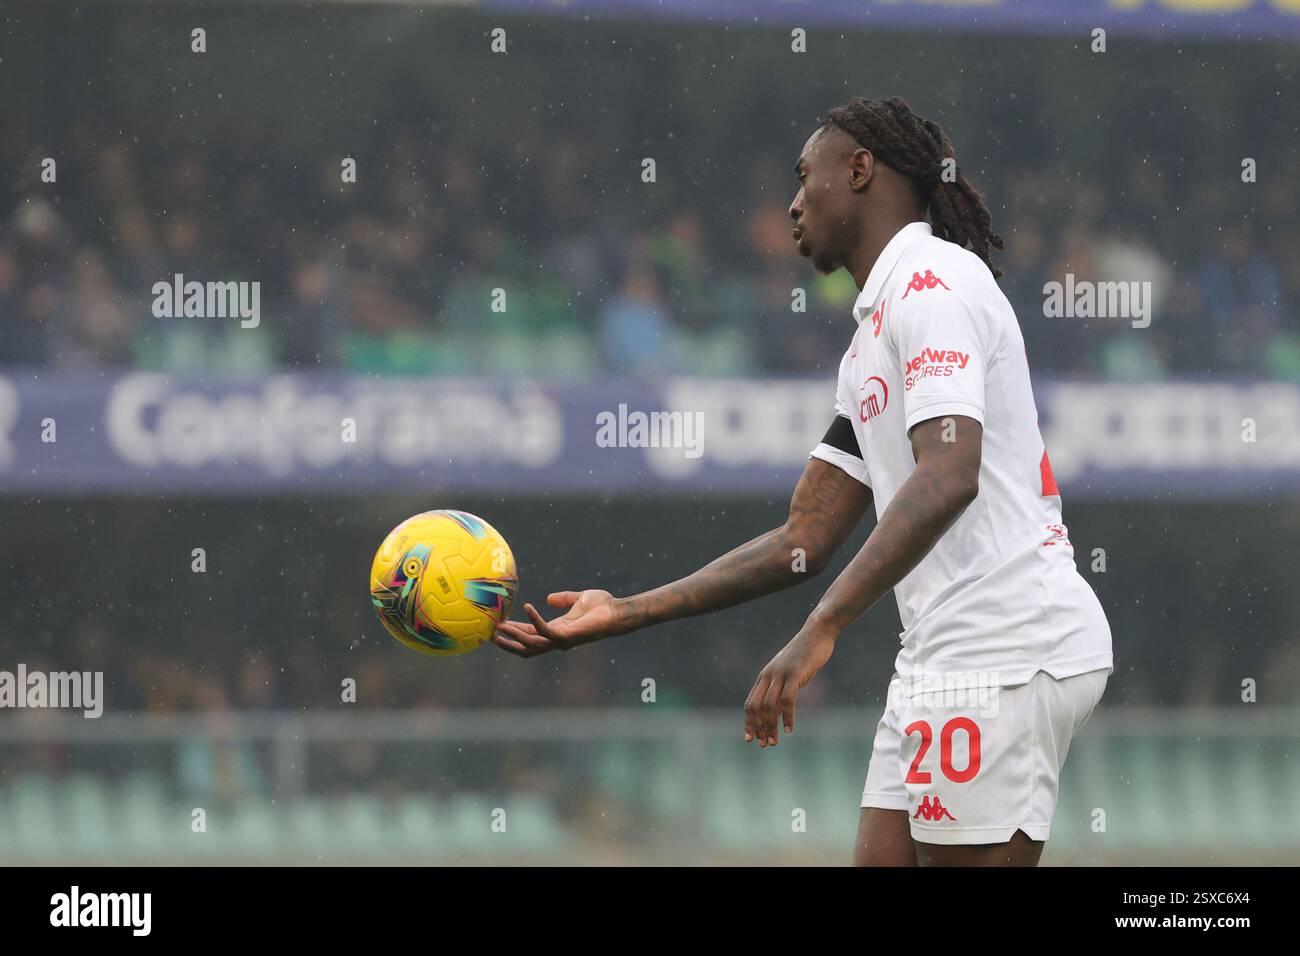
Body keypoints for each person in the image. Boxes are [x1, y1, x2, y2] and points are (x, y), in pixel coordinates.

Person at [494, 96, 1113, 867]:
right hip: (939, 654)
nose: (791, 204)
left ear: (859, 170)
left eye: (802, 176)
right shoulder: (867, 347)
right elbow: (803, 538)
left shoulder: (935, 286)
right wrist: (624, 612)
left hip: (1005, 645)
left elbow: (949, 478)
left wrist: (821, 627)